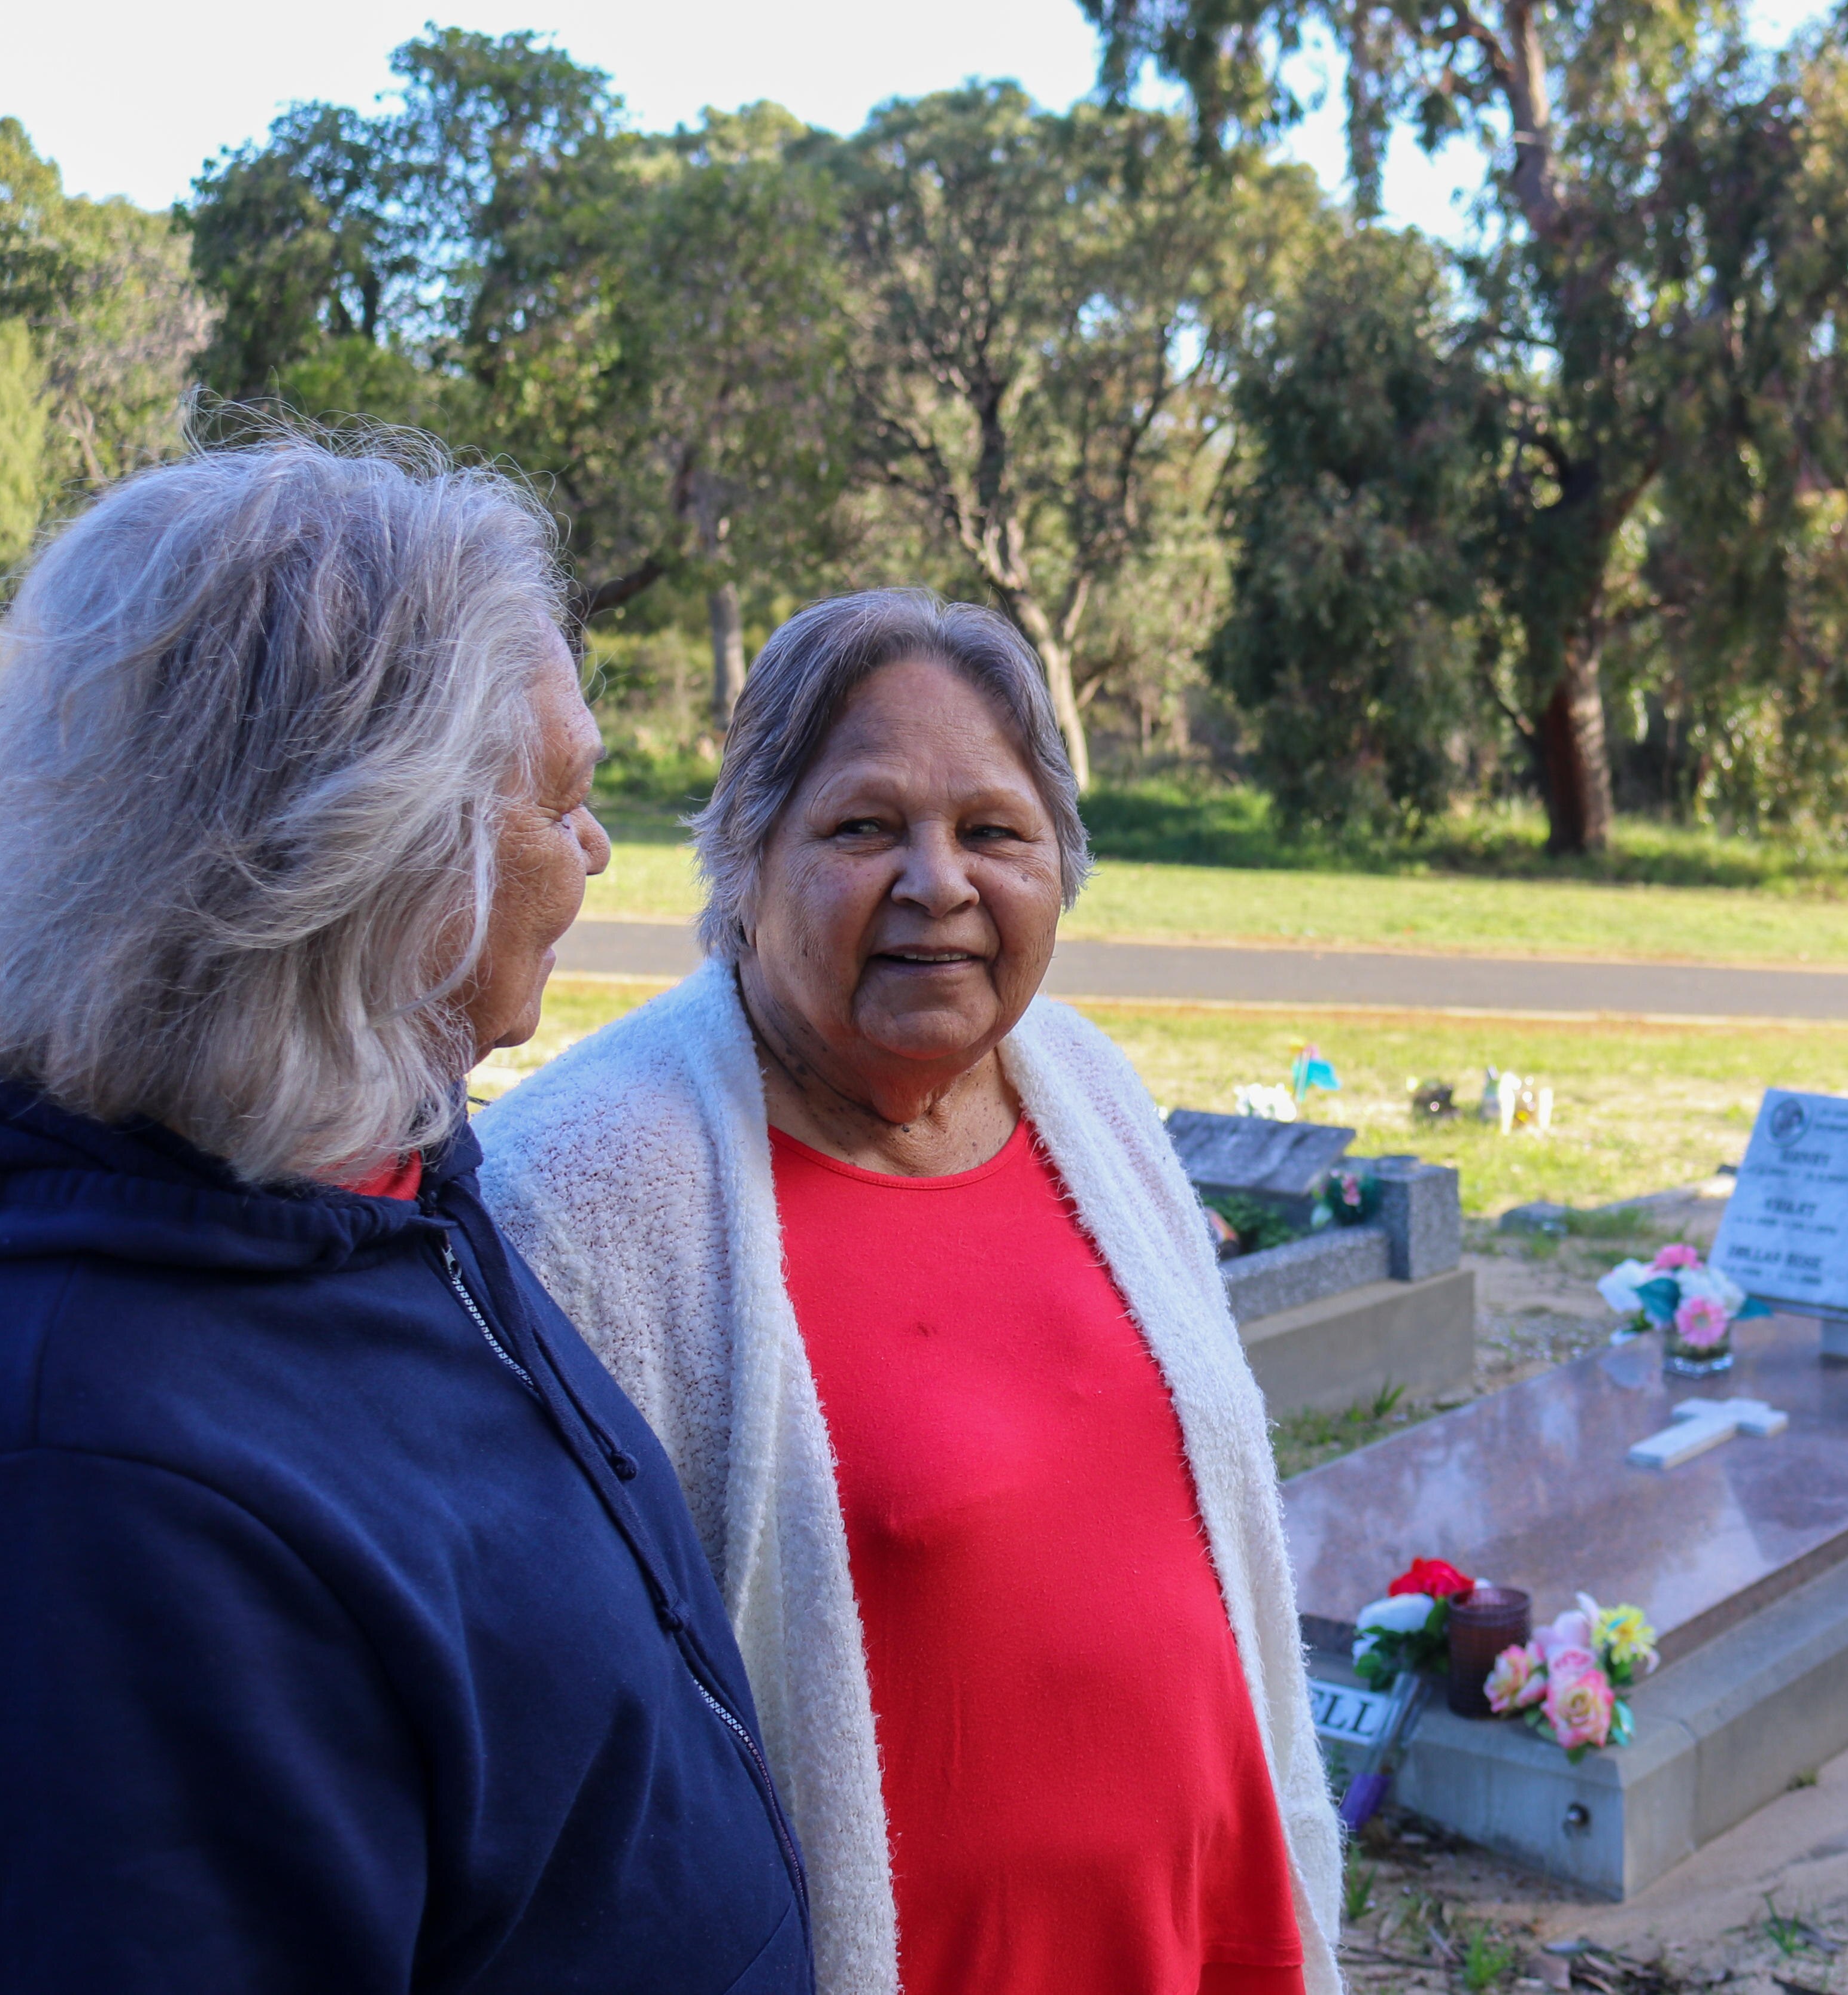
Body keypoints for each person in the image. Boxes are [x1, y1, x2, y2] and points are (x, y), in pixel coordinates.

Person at [0, 439, 814, 1994]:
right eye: (562, 796)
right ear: (368, 855)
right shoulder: (104, 1482)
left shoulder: (380, 1181)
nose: (597, 848)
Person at [478, 591, 1340, 1995]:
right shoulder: (587, 1190)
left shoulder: (1085, 1088)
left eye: (993, 830)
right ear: (745, 860)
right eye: (864, 827)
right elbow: (555, 1731)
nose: (938, 882)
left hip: (1203, 1938)